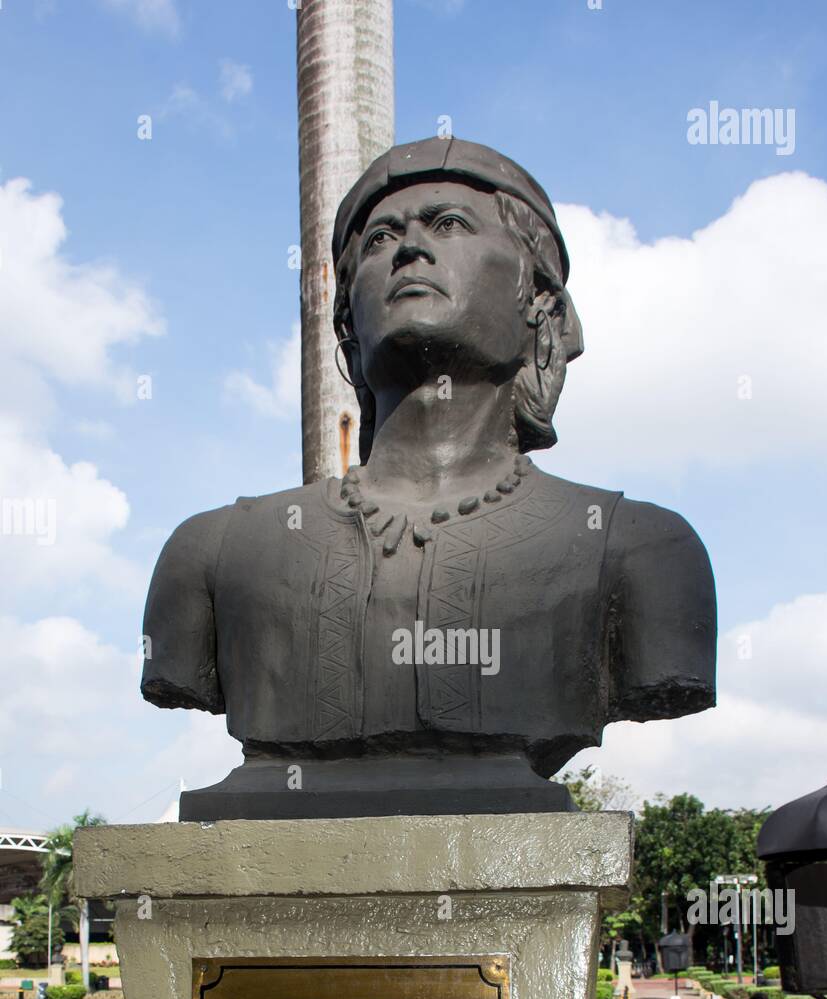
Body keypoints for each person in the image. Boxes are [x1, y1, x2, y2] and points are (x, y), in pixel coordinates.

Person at [139, 137, 717, 822]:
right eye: (381, 238)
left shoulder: (639, 553)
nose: (409, 249)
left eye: (448, 225)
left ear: (540, 303)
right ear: (347, 324)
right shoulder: (214, 553)